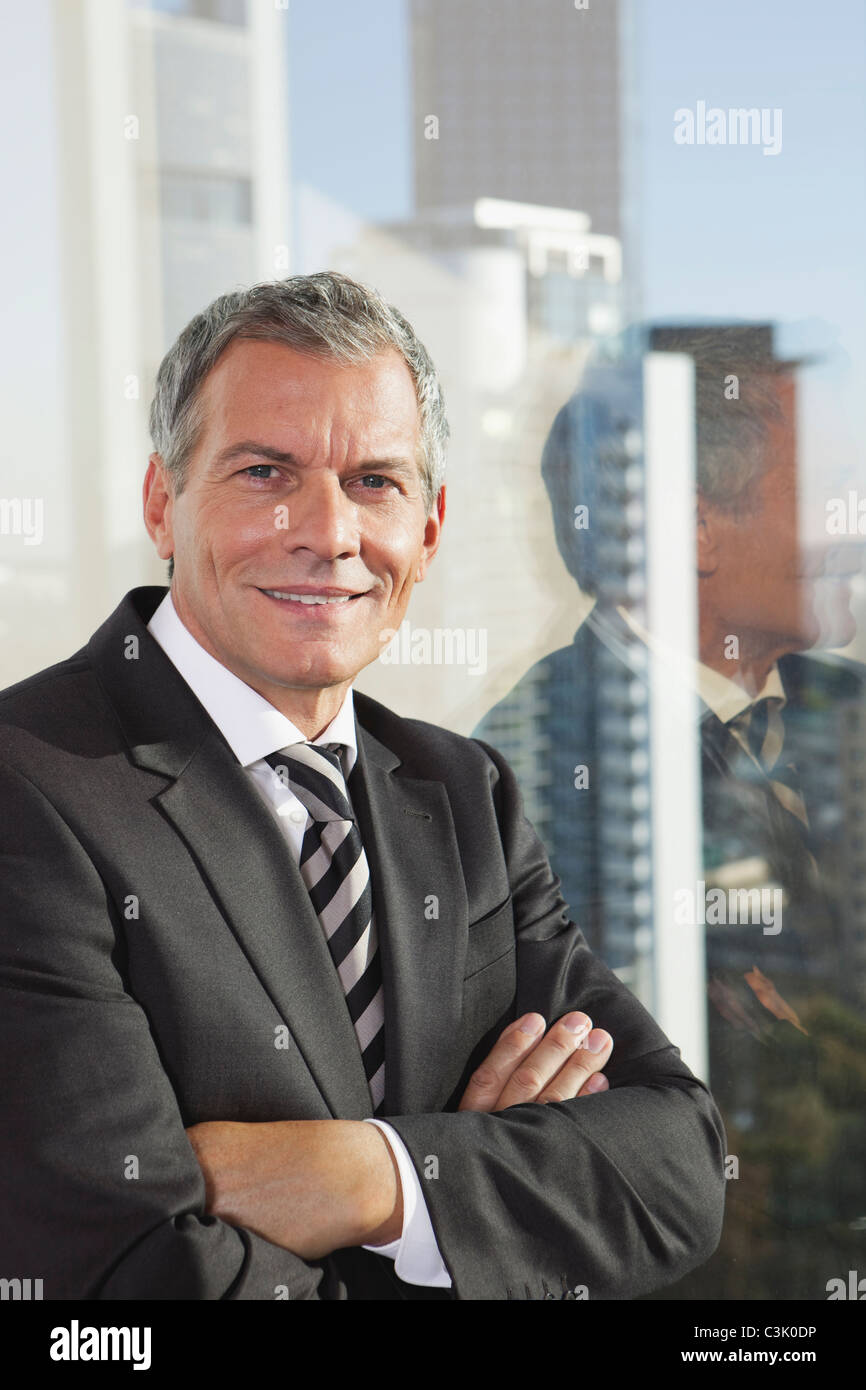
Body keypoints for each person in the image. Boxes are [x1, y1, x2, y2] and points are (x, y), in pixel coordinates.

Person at [0, 274, 725, 1301]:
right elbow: (124, 1272)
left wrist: (373, 1176)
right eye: (264, 471)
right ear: (164, 501)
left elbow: (675, 1165)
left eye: (375, 482)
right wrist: (470, 1207)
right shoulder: (27, 789)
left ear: (427, 532)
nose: (328, 532)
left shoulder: (464, 790)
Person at [476, 324, 866, 1299]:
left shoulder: (843, 710)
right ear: (691, 525)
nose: (847, 524)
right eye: (818, 487)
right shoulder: (534, 769)